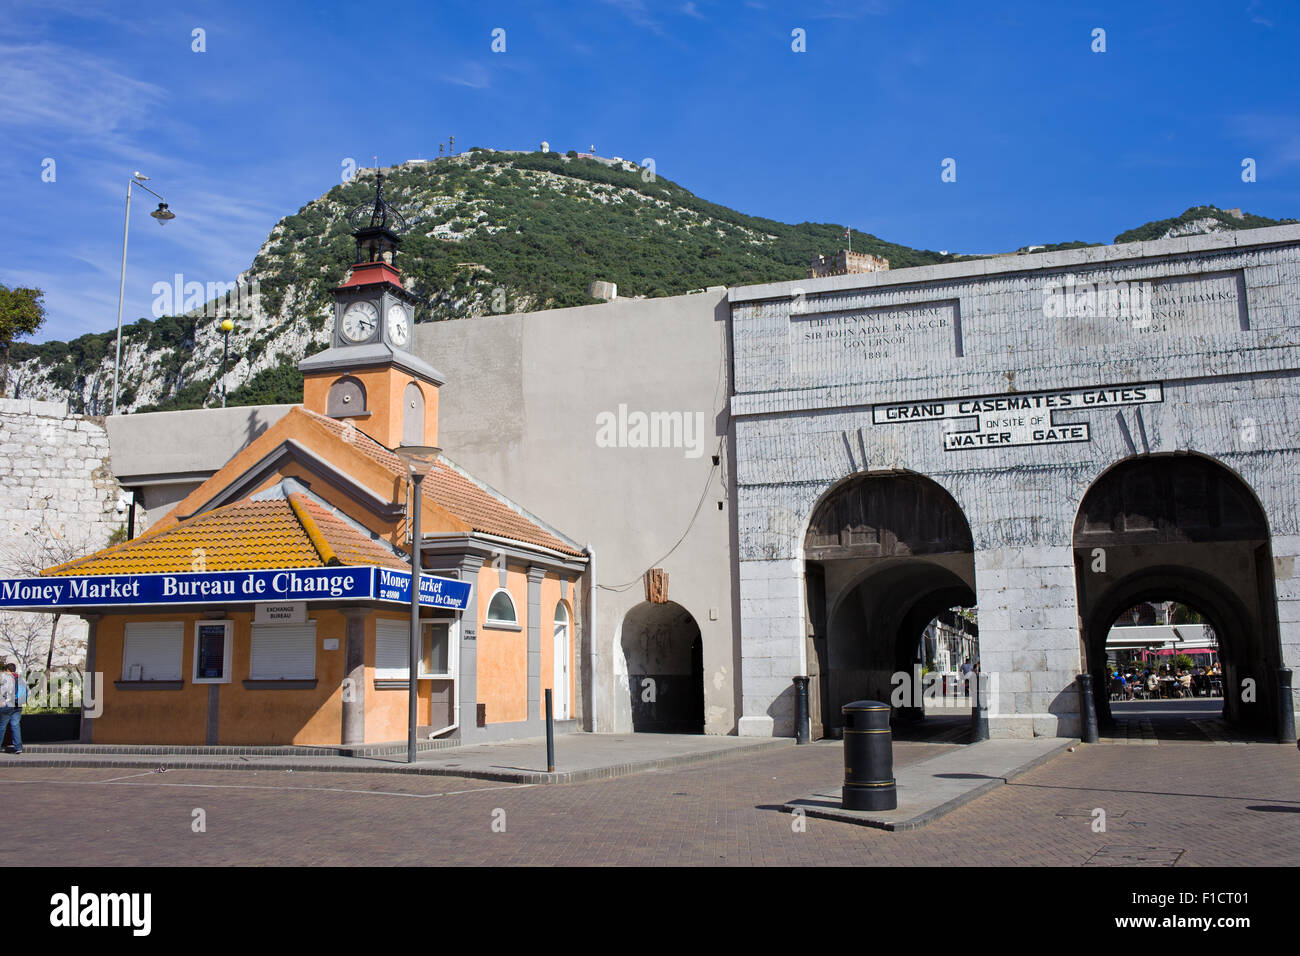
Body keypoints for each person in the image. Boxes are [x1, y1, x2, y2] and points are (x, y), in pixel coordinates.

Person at [0, 663, 24, 755]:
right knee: (15, 725)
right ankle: (18, 747)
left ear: (7, 670)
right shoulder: (20, 678)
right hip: (18, 705)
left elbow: (4, 690)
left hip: (8, 704)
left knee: (2, 726)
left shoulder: (7, 678)